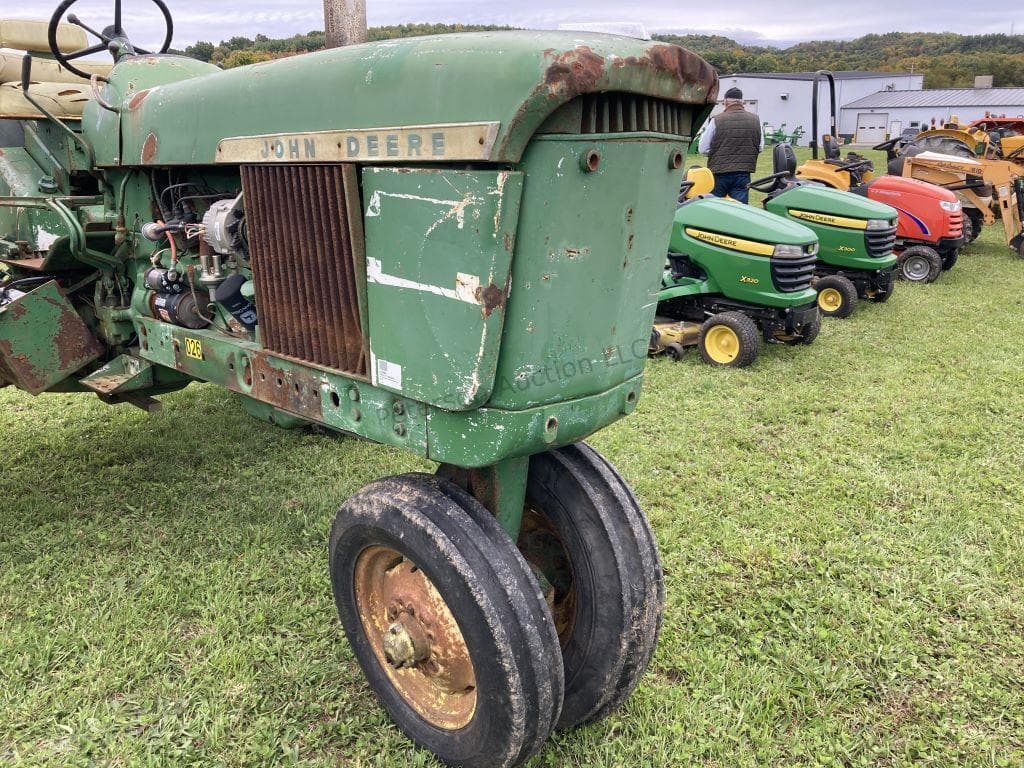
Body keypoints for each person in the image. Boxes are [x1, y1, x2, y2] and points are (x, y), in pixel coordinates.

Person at [698, 87, 764, 204]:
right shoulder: (755, 120)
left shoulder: (716, 120)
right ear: (742, 102)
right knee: (739, 211)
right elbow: (760, 147)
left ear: (725, 102)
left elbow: (703, 148)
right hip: (743, 173)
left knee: (715, 207)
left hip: (719, 172)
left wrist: (718, 153)